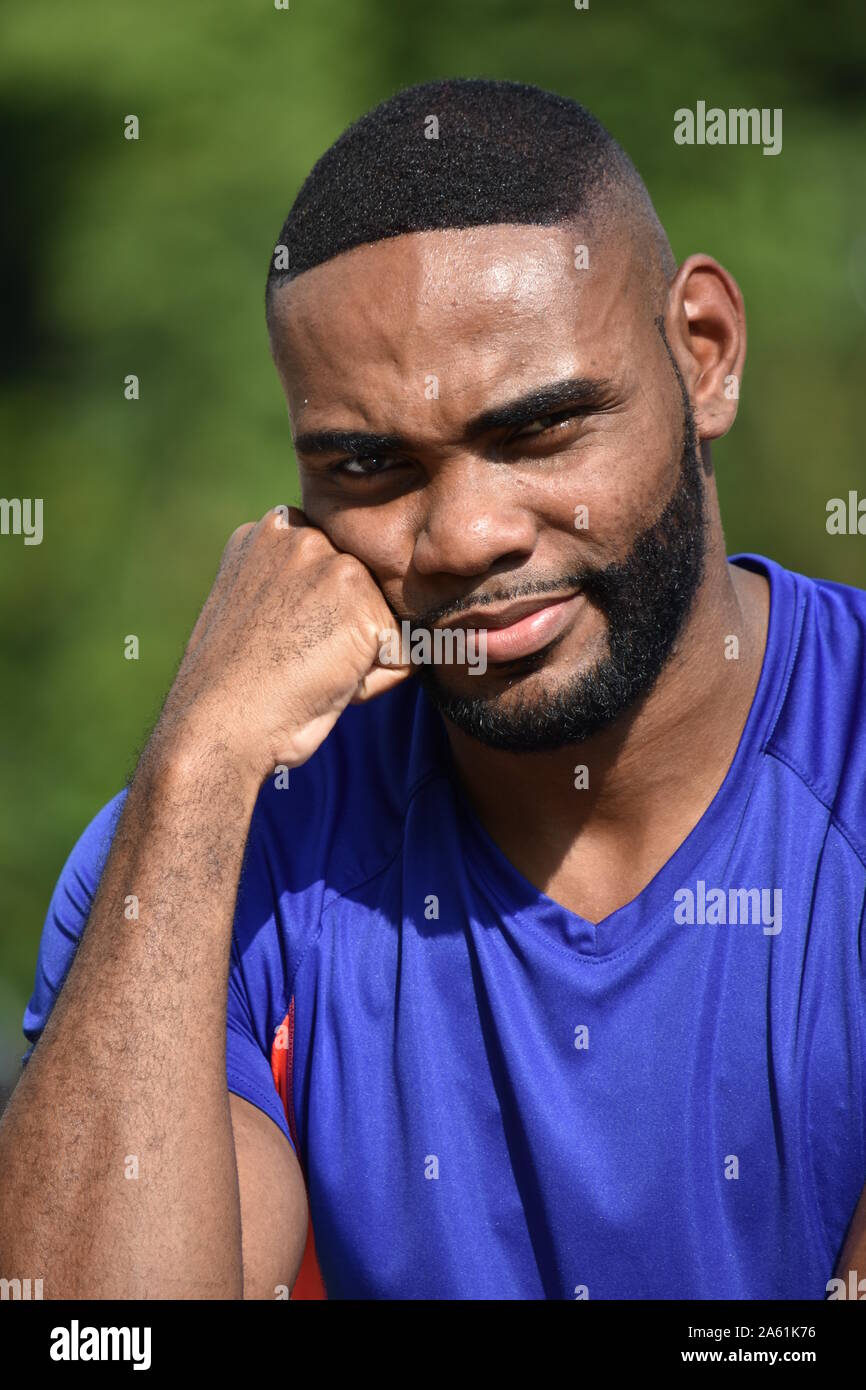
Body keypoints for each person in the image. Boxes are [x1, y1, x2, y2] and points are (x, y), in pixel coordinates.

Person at [1, 77, 864, 1300]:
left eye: (539, 431)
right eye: (369, 464)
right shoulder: (209, 854)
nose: (459, 537)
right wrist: (194, 765)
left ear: (703, 356)